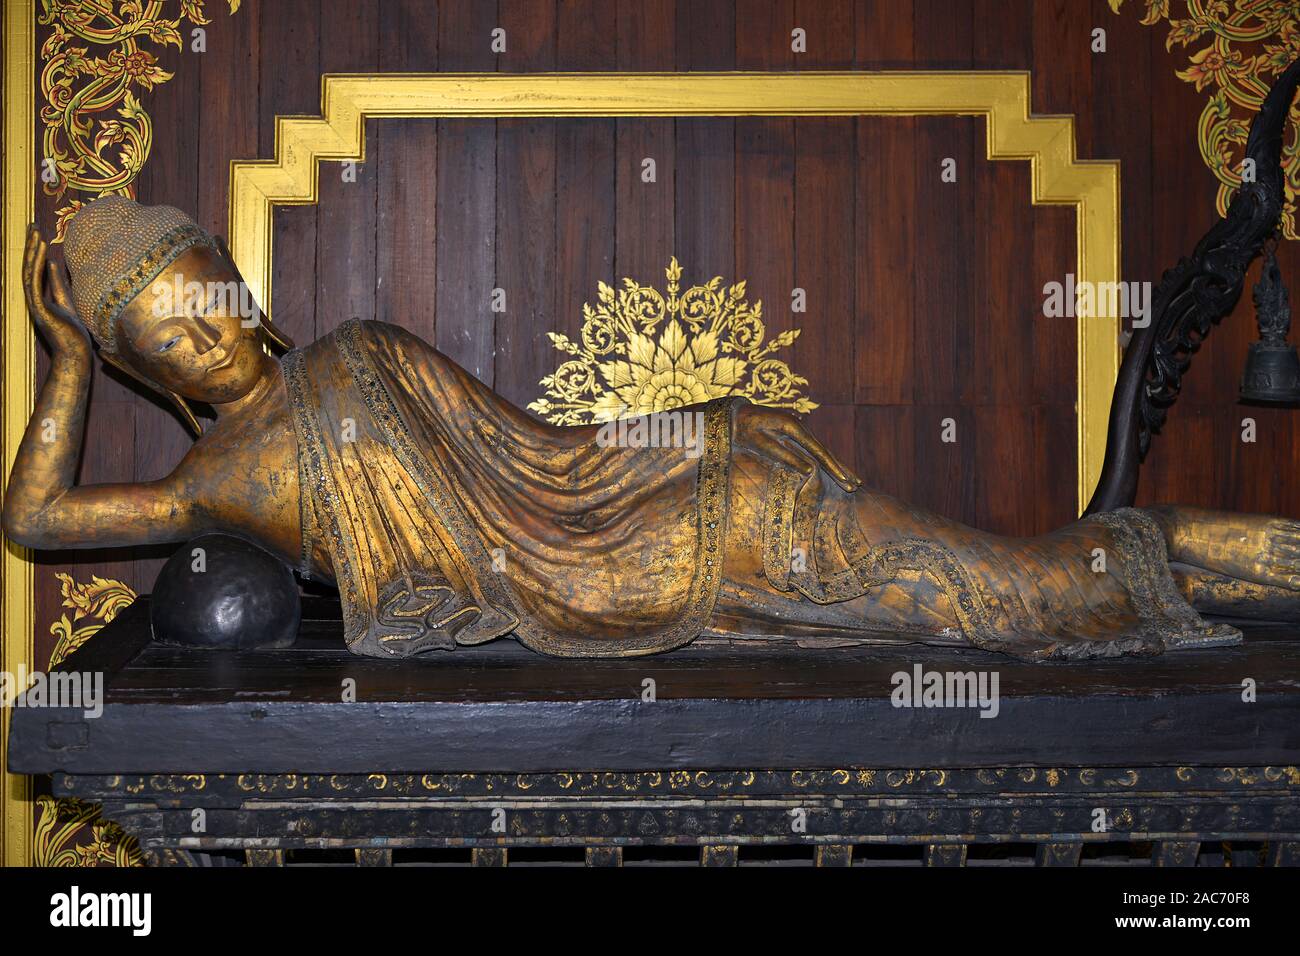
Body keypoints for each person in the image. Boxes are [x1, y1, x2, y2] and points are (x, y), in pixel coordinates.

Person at [7, 197, 1299, 661]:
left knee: (1016, 601)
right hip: (658, 570)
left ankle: (1251, 559)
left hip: (691, 523)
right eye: (169, 340)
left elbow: (546, 454)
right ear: (146, 369)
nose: (209, 340)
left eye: (211, 305)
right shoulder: (209, 484)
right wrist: (65, 359)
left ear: (239, 289)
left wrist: (696, 435)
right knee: (1012, 599)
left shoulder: (358, 358)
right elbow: (36, 520)